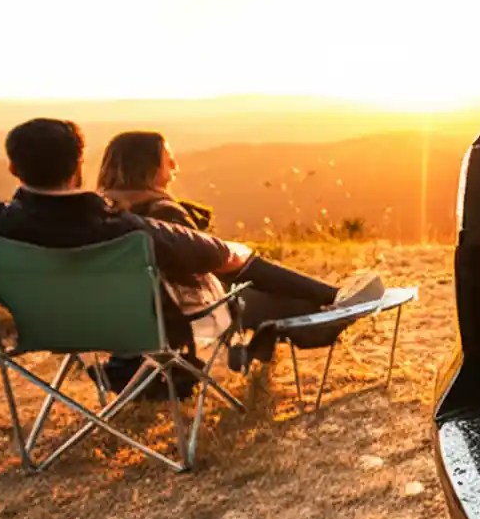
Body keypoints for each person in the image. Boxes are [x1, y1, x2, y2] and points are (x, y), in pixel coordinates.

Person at [0, 119, 382, 383]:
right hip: (157, 330)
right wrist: (232, 251)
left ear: (13, 168)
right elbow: (222, 255)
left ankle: (329, 305)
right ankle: (333, 303)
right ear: (78, 163)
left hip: (59, 336)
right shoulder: (124, 228)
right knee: (241, 276)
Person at [96, 129, 382, 364]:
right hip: (182, 322)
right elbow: (209, 268)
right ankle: (335, 301)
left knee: (247, 281)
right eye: (168, 161)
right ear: (147, 168)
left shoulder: (99, 214)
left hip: (114, 328)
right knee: (272, 292)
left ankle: (318, 307)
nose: (175, 168)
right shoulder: (161, 215)